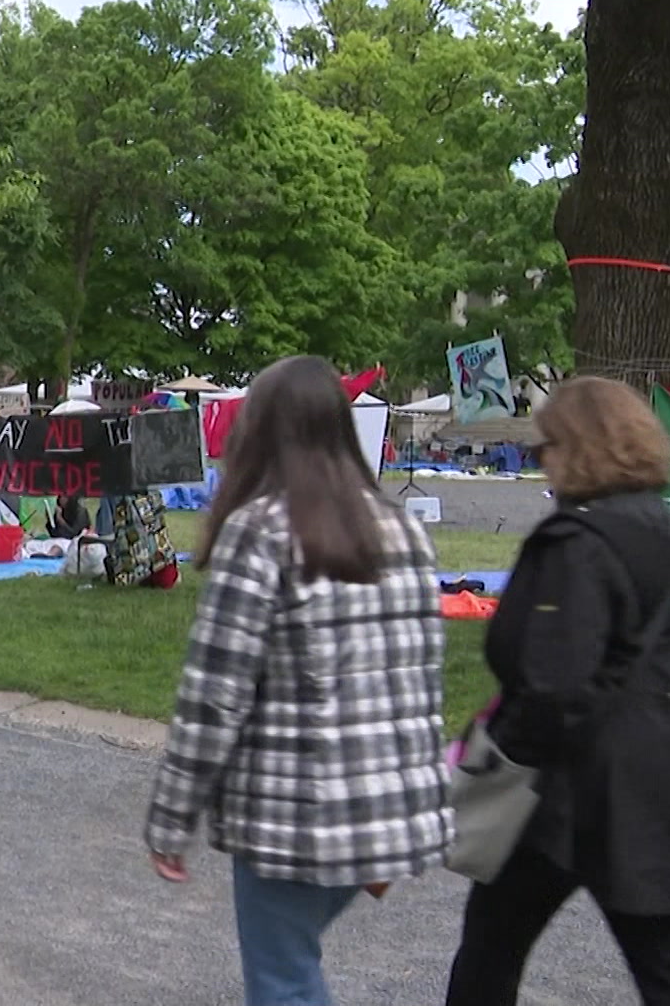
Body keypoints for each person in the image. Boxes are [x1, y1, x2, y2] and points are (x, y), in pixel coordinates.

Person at [445, 377, 670, 1006]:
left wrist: (493, 758)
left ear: (578, 449)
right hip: (656, 775)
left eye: (546, 449)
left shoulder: (578, 544)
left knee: (493, 944)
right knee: (662, 952)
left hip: (569, 787)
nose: (544, 463)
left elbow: (554, 682)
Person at [145, 356, 448, 1006]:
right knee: (293, 970)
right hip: (387, 810)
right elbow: (421, 674)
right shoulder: (403, 530)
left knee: (284, 983)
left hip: (297, 815)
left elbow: (214, 694)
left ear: (258, 433)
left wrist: (171, 820)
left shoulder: (259, 531)